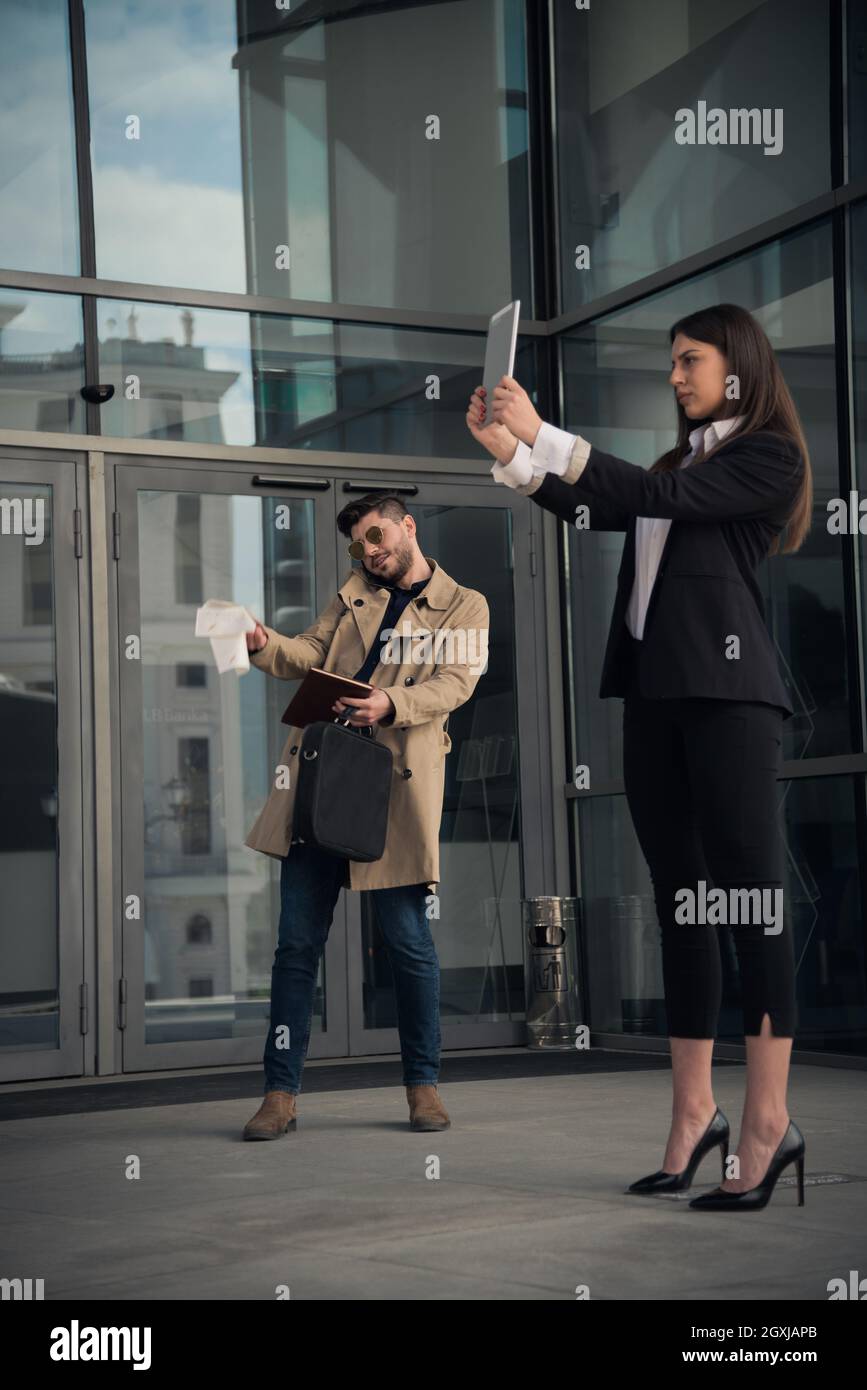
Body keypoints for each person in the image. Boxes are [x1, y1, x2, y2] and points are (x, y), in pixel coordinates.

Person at [467, 303, 812, 1212]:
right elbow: (594, 500)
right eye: (670, 362)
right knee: (683, 906)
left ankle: (769, 1122)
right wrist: (510, 451)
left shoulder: (765, 457)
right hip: (655, 704)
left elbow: (652, 500)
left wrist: (547, 429)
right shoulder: (675, 463)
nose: (675, 376)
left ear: (736, 364)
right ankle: (694, 1115)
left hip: (730, 702)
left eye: (689, 360)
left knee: (752, 905)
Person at [241, 492, 489, 1140]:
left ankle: (422, 1087)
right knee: (296, 945)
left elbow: (456, 683)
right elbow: (309, 653)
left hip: (396, 790)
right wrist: (264, 642)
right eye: (359, 546)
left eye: (376, 537)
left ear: (406, 525)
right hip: (325, 780)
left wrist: (390, 702)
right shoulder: (354, 592)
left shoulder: (465, 604)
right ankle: (279, 1095)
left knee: (408, 946)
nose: (369, 552)